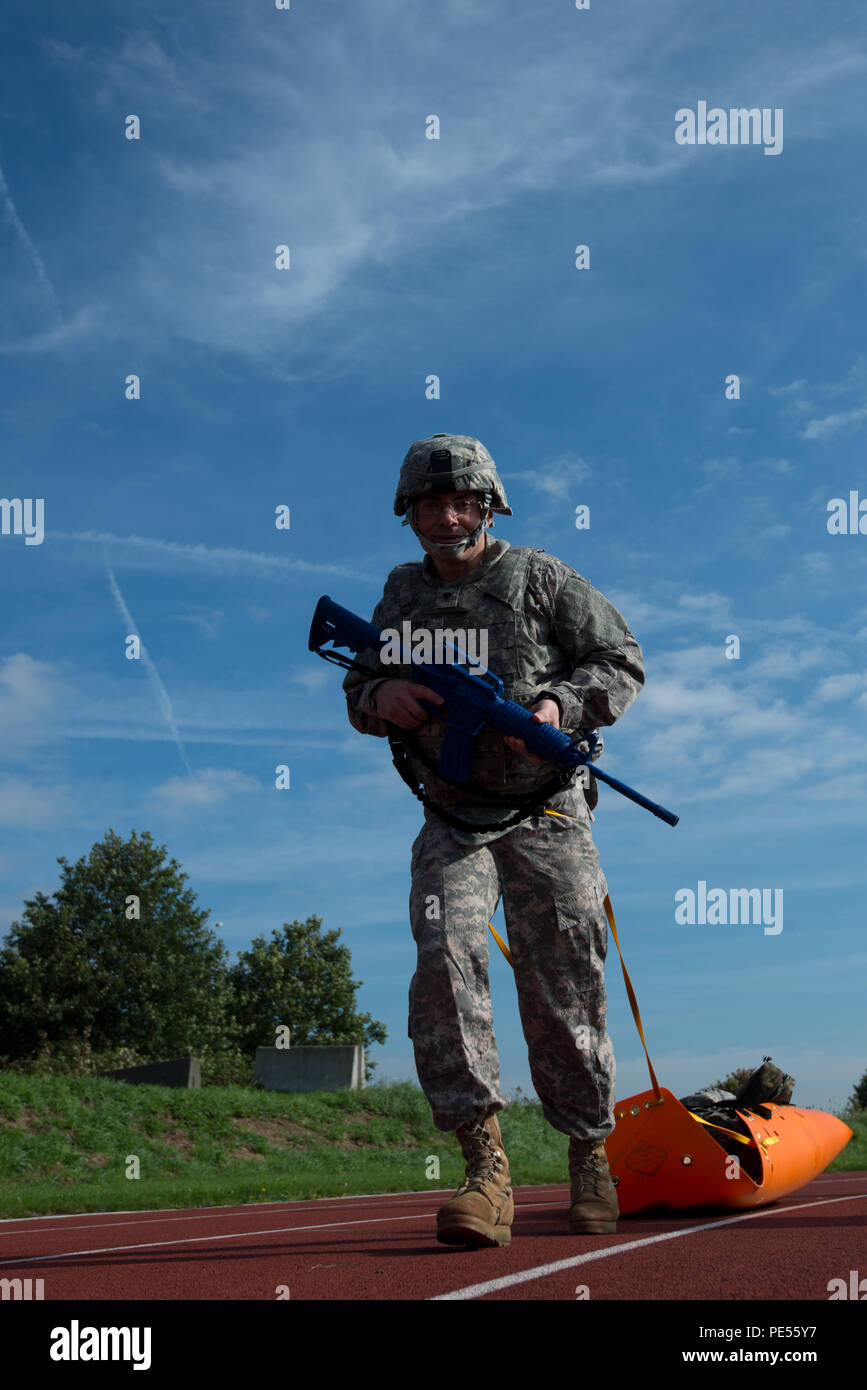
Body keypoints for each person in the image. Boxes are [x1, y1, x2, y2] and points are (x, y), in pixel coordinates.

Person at [342, 433, 645, 1246]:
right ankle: (485, 1169)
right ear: (408, 516)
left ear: (487, 506)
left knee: (565, 979)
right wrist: (387, 694)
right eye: (430, 504)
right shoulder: (400, 595)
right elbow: (358, 684)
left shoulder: (539, 578)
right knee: (443, 957)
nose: (447, 517)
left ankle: (588, 1154)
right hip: (451, 814)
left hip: (546, 807)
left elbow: (620, 659)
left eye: (463, 502)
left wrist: (555, 707)